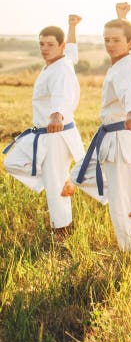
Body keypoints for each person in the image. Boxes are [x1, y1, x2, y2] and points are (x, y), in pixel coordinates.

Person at [70, 3, 131, 251]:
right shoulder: (123, 61)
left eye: (116, 40)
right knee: (79, 176)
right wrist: (121, 19)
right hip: (109, 138)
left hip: (121, 138)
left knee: (120, 201)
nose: (109, 44)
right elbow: (128, 54)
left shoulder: (126, 67)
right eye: (106, 40)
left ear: (129, 43)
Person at [3, 15, 85, 239]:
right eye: (41, 44)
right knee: (13, 162)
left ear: (61, 46)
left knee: (54, 184)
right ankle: (62, 182)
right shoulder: (63, 60)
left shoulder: (61, 70)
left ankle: (62, 233)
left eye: (50, 45)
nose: (45, 49)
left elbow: (61, 93)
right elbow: (74, 51)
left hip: (56, 133)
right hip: (43, 133)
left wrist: (57, 114)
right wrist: (72, 27)